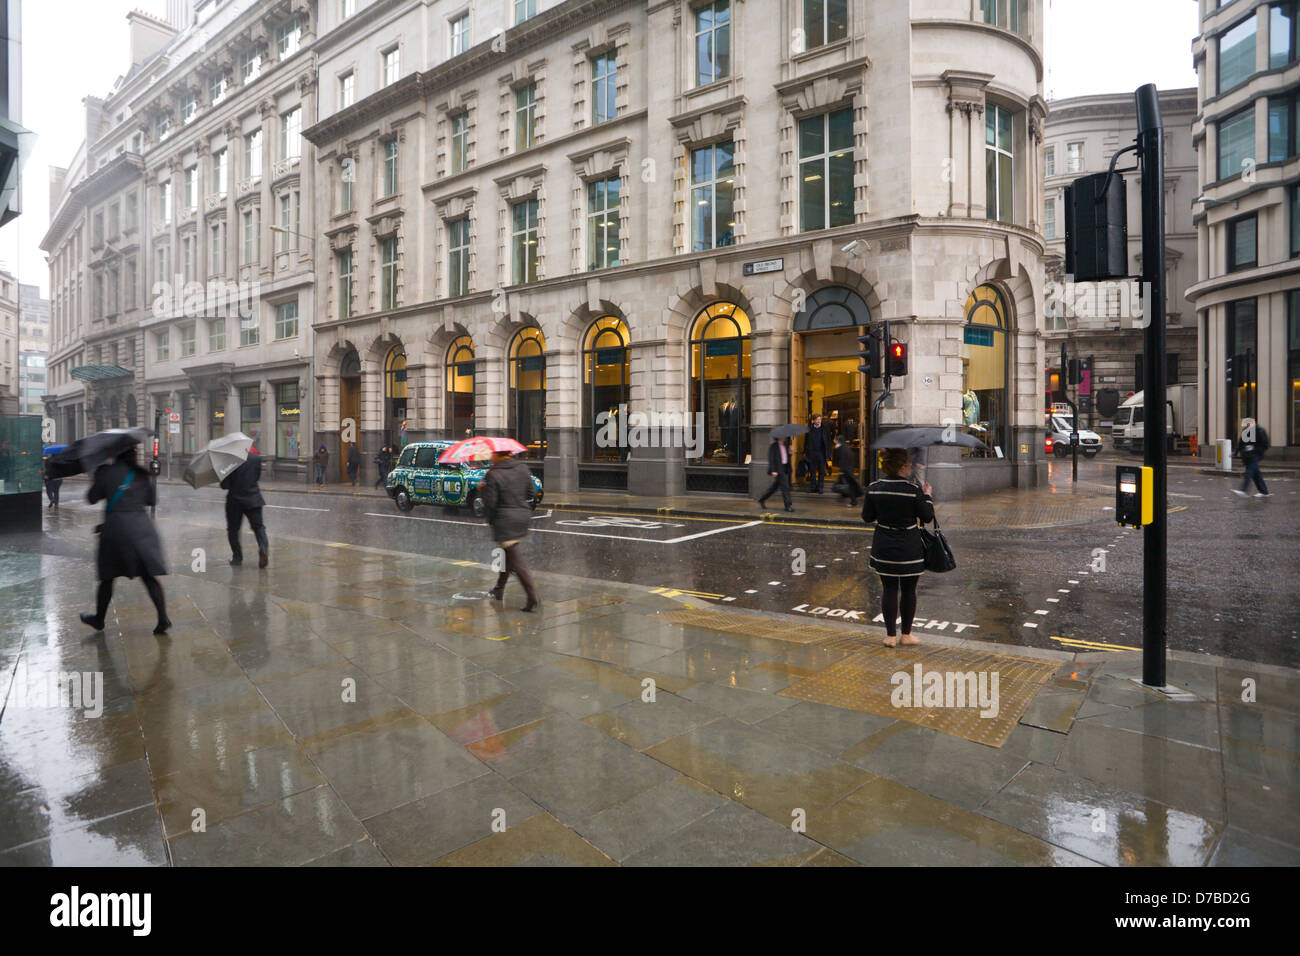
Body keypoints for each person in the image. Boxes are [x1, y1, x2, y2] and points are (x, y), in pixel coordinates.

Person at [80, 446, 170, 635]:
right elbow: (151, 501)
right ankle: (163, 617)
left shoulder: (106, 472)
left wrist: (97, 477)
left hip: (116, 531)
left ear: (115, 454)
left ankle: (99, 619)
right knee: (148, 576)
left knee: (108, 577)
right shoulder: (142, 474)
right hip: (142, 529)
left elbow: (91, 498)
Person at [862, 448, 934, 648]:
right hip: (909, 546)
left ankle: (890, 636)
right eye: (909, 465)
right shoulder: (913, 490)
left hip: (884, 545)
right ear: (902, 467)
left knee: (889, 589)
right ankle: (907, 635)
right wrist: (927, 495)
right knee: (909, 590)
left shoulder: (874, 488)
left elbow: (867, 517)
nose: (910, 467)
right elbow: (927, 517)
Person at [482, 450, 540, 612]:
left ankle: (532, 596)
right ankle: (499, 589)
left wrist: (482, 490)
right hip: (522, 516)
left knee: (514, 558)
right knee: (507, 554)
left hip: (505, 519)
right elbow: (532, 494)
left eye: (493, 454)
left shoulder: (493, 474)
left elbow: (491, 504)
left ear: (498, 456)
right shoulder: (522, 467)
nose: (491, 457)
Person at [221, 448, 270, 567]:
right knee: (259, 527)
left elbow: (224, 485)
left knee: (233, 530)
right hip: (253, 498)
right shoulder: (256, 459)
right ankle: (263, 548)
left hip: (235, 501)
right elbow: (256, 477)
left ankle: (237, 557)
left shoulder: (229, 462)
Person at [1233, 418, 1271, 498]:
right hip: (1248, 456)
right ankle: (1264, 491)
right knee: (1256, 474)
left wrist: (1254, 448)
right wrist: (1235, 452)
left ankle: (1244, 490)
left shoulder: (1260, 431)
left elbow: (1265, 444)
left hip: (1256, 455)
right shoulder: (1246, 431)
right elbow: (1241, 443)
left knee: (1249, 471)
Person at [757, 434, 795, 512]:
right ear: (778, 437)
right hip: (778, 468)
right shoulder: (773, 446)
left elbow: (786, 457)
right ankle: (788, 505)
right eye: (783, 436)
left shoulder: (785, 445)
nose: (784, 437)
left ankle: (762, 499)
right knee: (785, 487)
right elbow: (771, 459)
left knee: (774, 488)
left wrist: (790, 452)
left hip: (785, 468)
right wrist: (773, 470)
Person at [833, 434, 863, 507]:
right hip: (849, 469)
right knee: (849, 485)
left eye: (836, 440)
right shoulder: (847, 448)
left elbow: (842, 460)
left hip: (846, 470)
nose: (835, 441)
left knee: (850, 486)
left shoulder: (841, 448)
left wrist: (841, 470)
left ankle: (853, 501)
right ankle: (847, 497)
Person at [804, 414, 831, 493]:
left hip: (821, 453)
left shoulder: (825, 428)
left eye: (820, 419)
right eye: (817, 419)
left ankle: (820, 487)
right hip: (812, 453)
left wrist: (828, 453)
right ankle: (812, 487)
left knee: (821, 471)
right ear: (813, 420)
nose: (819, 421)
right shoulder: (809, 429)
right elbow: (806, 441)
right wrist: (805, 452)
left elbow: (828, 441)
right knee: (812, 471)